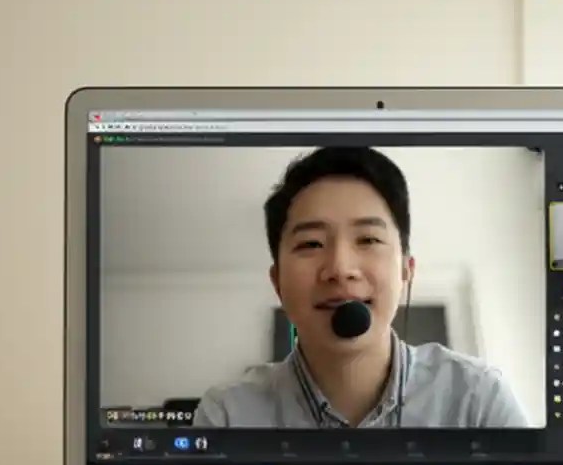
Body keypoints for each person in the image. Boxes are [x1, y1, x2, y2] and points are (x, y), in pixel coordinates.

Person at [194, 146, 529, 428]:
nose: (341, 269)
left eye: (368, 239)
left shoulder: (478, 399)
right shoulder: (227, 416)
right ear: (277, 281)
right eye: (311, 243)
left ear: (406, 271)